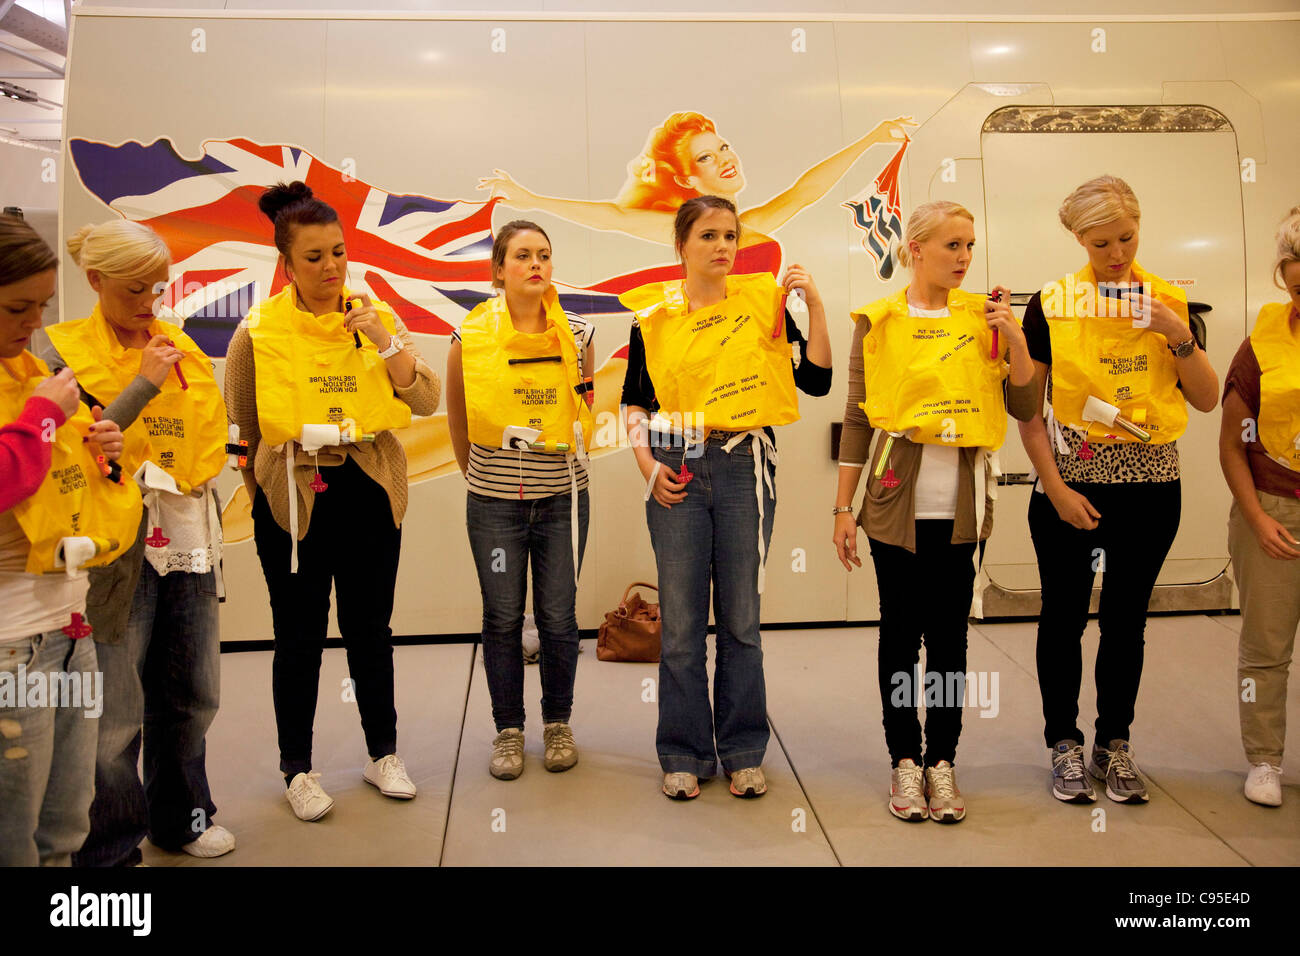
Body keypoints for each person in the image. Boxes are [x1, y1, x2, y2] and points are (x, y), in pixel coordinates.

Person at [225, 181, 440, 821]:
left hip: (369, 489)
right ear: (287, 263)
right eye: (314, 256)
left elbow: (425, 398)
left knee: (371, 629)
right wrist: (265, 497)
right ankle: (298, 769)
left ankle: (383, 754)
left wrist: (385, 340)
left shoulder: (376, 318)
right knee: (298, 636)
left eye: (339, 252)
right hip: (294, 498)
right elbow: (244, 428)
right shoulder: (257, 332)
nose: (331, 267)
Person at [620, 195, 831, 800]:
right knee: (682, 625)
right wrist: (647, 467)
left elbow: (816, 379)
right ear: (681, 246)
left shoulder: (764, 305)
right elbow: (634, 402)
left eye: (731, 235)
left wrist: (814, 305)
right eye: (708, 235)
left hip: (744, 466)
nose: (722, 246)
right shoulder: (654, 317)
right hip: (676, 464)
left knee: (741, 621)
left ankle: (742, 750)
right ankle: (682, 752)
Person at [37, 220, 234, 864]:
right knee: (114, 713)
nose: (150, 301)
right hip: (113, 551)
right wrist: (142, 381)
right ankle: (111, 846)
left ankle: (184, 815)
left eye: (158, 286)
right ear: (95, 281)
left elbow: (209, 435)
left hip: (186, 534)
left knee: (192, 691)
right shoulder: (60, 353)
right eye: (134, 290)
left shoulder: (178, 345)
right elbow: (74, 454)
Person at [1017, 175, 1219, 804]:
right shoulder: (1051, 304)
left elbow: (1207, 398)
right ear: (1079, 239)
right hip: (1070, 486)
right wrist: (1054, 489)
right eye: (1101, 242)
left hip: (1152, 490)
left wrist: (1175, 331)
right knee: (1063, 618)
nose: (1116, 253)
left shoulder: (1169, 301)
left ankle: (1115, 742)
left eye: (1127, 238)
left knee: (1126, 620)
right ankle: (1063, 743)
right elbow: (1027, 411)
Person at [833, 201, 1036, 822]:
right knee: (899, 633)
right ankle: (904, 759)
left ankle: (942, 762)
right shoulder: (879, 321)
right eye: (952, 245)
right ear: (915, 249)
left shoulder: (985, 318)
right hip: (894, 498)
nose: (965, 257)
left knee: (949, 637)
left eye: (970, 245)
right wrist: (842, 507)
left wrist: (1016, 339)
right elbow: (858, 415)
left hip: (962, 505)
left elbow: (1026, 404)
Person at [0, 214, 139, 865]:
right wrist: (43, 421)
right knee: (13, 837)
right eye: (16, 308)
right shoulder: (39, 396)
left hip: (69, 630)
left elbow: (72, 490)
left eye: (43, 304)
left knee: (65, 827)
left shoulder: (31, 374)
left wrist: (100, 451)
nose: (34, 323)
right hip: (11, 645)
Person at [446, 220, 595, 780]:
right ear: (498, 269)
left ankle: (558, 723)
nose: (536, 264)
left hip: (562, 499)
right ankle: (508, 730)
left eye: (544, 255)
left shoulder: (578, 334)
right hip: (495, 503)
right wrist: (484, 477)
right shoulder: (469, 335)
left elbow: (585, 411)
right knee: (503, 617)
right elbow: (459, 421)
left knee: (558, 617)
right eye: (523, 255)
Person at [481, 112, 914, 274]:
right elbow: (615, 217)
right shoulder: (685, 230)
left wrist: (871, 138)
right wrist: (531, 199)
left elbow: (805, 191)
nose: (725, 159)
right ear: (688, 180)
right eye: (706, 157)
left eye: (723, 147)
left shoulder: (751, 225)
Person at [1219, 205, 1300, 807]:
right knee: (1266, 650)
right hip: (1273, 508)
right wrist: (1256, 517)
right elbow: (1232, 444)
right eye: (1297, 289)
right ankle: (1264, 760)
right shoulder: (1261, 346)